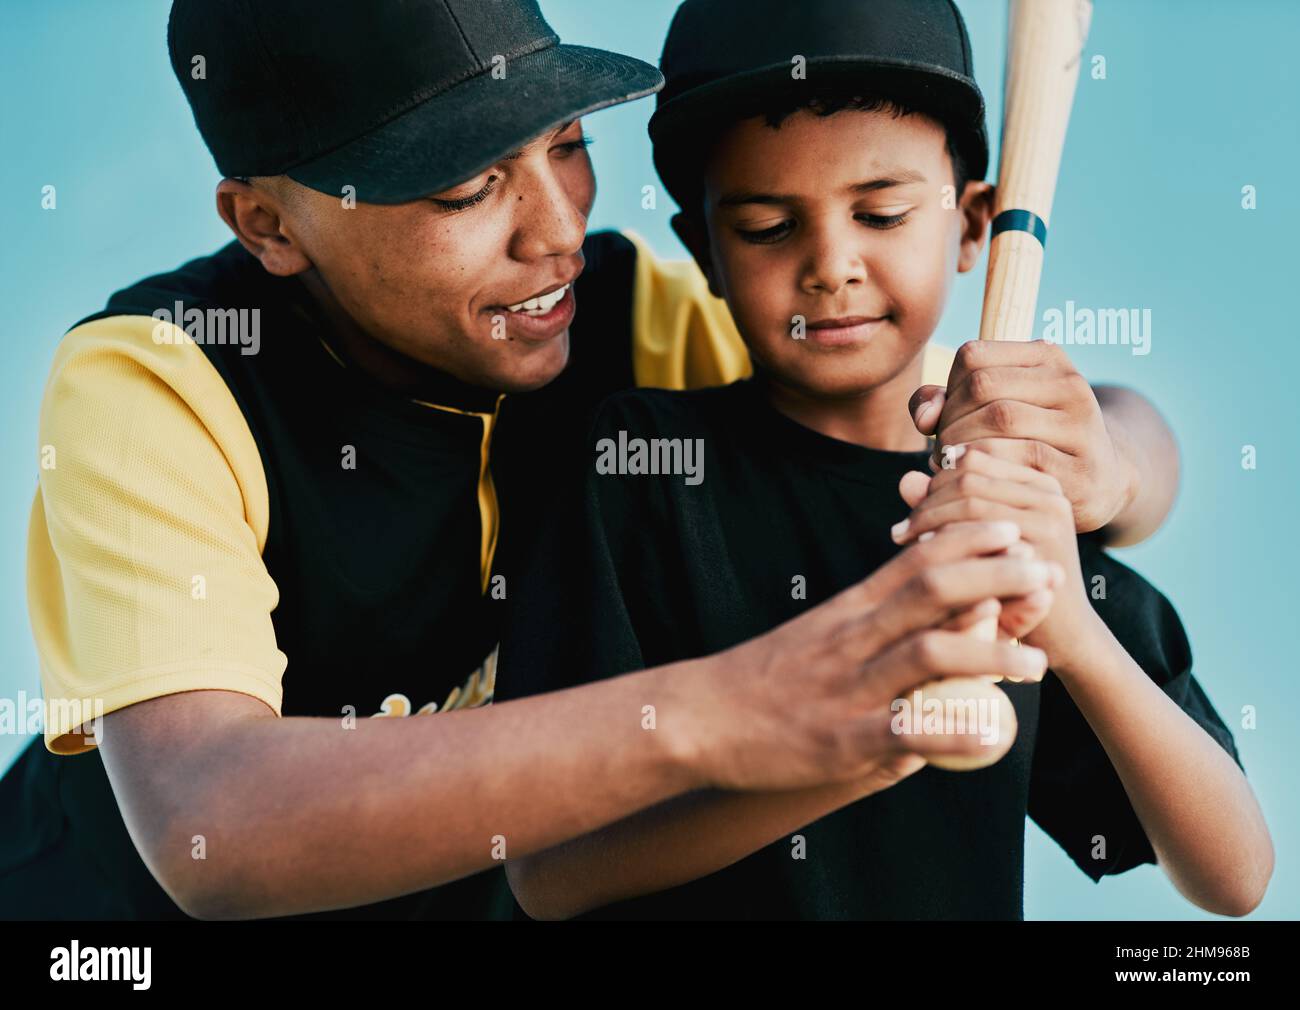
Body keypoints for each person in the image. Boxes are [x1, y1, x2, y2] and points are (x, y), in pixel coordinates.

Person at [1, 0, 1178, 921]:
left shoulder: (623, 318)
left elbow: (916, 409)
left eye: (563, 141)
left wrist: (1111, 462)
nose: (557, 228)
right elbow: (214, 819)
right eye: (465, 185)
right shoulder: (161, 381)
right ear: (267, 222)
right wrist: (734, 707)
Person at [497, 0, 1273, 920]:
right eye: (766, 228)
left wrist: (1073, 634)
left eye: (883, 212)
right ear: (701, 249)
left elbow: (1235, 876)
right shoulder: (637, 470)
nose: (832, 264)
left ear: (974, 226)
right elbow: (548, 872)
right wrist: (872, 744)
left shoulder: (1001, 509)